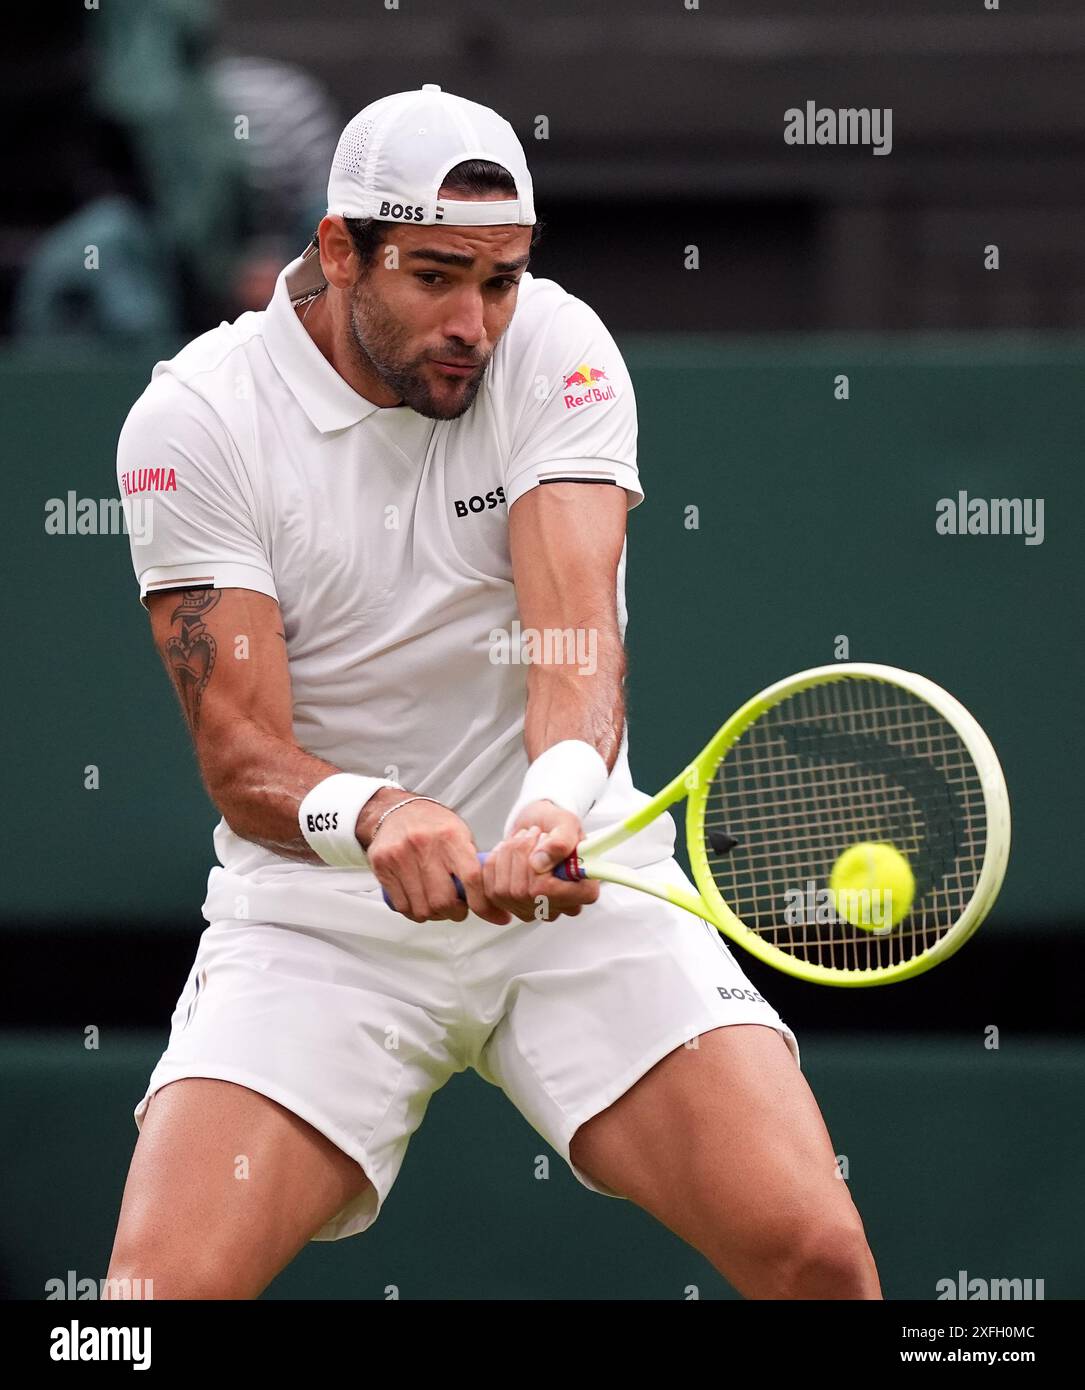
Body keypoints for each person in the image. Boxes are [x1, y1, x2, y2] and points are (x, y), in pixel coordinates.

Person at [107, 85, 881, 1300]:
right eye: (434, 277)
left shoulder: (556, 348)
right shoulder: (194, 420)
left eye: (503, 277)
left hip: (578, 883)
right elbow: (241, 754)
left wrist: (554, 804)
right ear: (336, 249)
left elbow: (572, 643)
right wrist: (375, 815)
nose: (477, 319)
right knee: (145, 1312)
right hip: (321, 926)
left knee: (819, 1260)